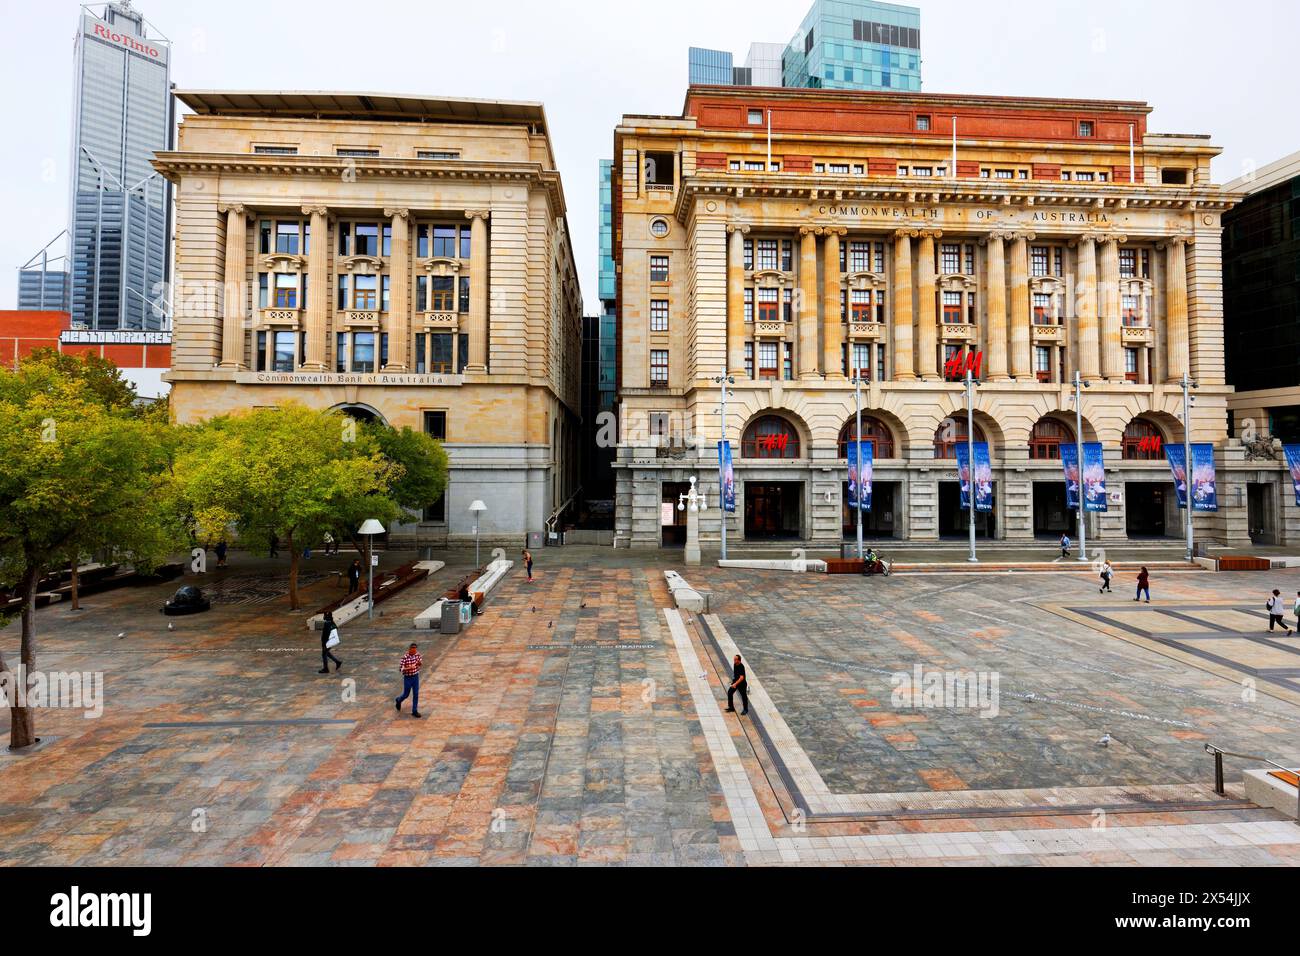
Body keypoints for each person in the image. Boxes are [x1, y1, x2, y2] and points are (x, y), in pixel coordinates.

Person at [395, 643, 423, 718]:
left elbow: (420, 663)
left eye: (415, 650)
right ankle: (398, 700)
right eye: (413, 650)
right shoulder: (405, 657)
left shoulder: (417, 655)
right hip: (408, 678)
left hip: (415, 677)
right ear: (409, 649)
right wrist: (408, 668)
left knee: (416, 693)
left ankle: (414, 711)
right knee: (406, 694)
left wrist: (420, 663)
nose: (414, 652)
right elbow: (400, 669)